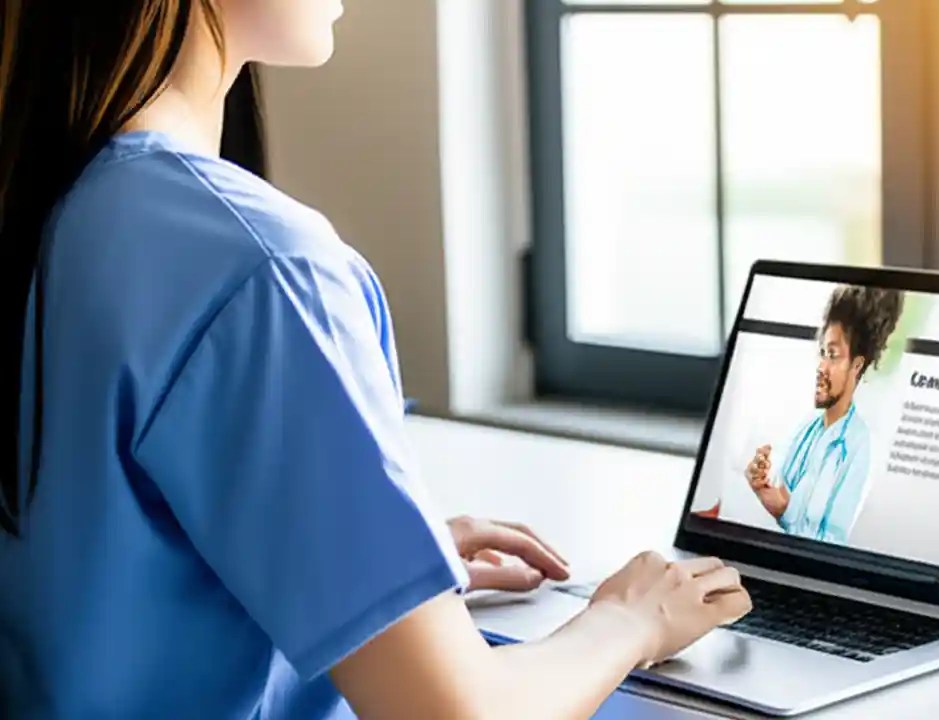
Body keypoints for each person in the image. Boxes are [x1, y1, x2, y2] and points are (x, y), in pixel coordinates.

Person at [0, 1, 750, 718]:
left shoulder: (53, 209)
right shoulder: (263, 269)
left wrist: (370, 572)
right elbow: (460, 712)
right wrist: (629, 620)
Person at [743, 285, 904, 545]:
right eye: (822, 354)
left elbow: (833, 545)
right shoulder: (806, 429)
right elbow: (783, 495)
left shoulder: (859, 445)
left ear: (856, 365)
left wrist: (784, 511)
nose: (821, 367)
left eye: (832, 355)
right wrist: (763, 485)